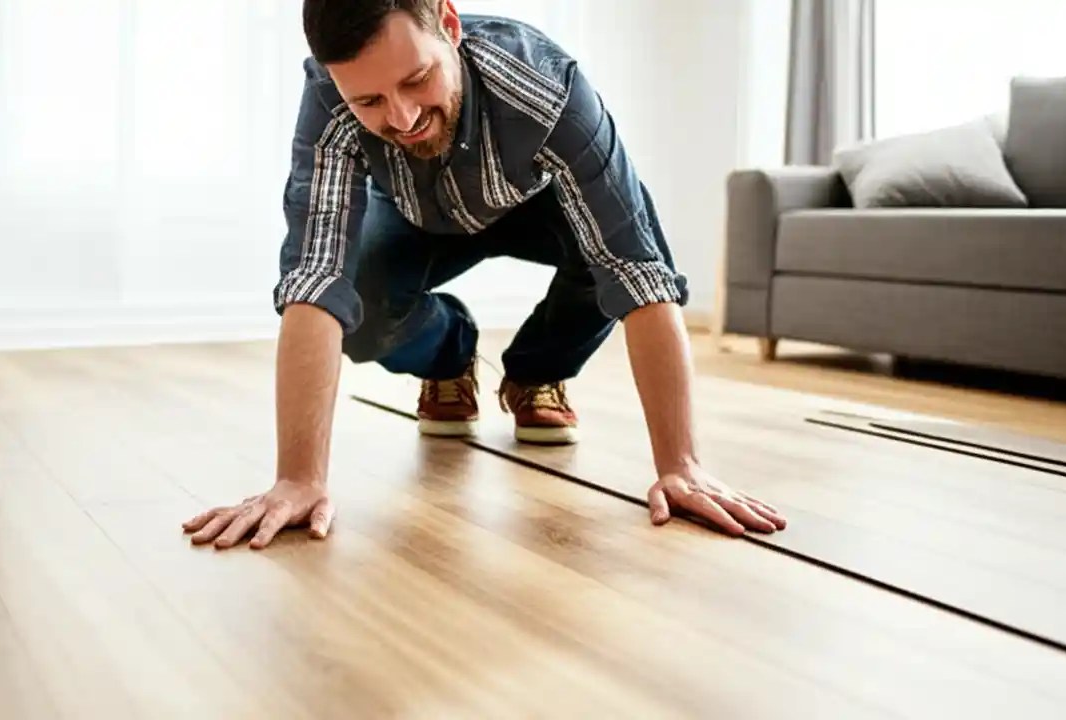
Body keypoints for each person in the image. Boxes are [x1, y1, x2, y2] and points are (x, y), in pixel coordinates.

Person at [183, 0, 788, 550]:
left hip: (538, 205)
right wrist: (297, 479)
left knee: (610, 251)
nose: (403, 115)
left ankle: (537, 374)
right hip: (413, 214)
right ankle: (450, 357)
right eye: (369, 102)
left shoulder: (546, 88)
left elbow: (637, 269)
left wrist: (680, 463)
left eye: (417, 79)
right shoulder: (328, 99)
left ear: (448, 24)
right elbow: (315, 276)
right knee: (359, 314)